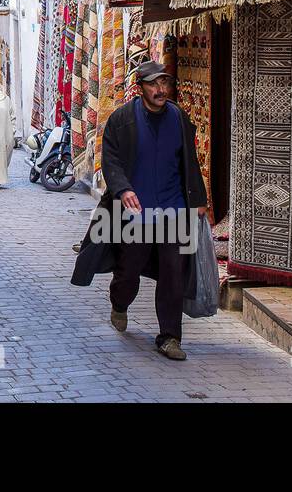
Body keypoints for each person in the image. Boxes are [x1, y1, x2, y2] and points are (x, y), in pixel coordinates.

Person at [70, 61, 208, 361]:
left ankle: (170, 337)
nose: (160, 90)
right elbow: (111, 161)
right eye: (153, 84)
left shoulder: (178, 117)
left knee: (174, 273)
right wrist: (123, 189)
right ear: (140, 87)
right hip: (137, 212)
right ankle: (119, 303)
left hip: (174, 209)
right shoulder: (122, 120)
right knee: (128, 270)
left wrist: (198, 199)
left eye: (164, 84)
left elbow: (190, 161)